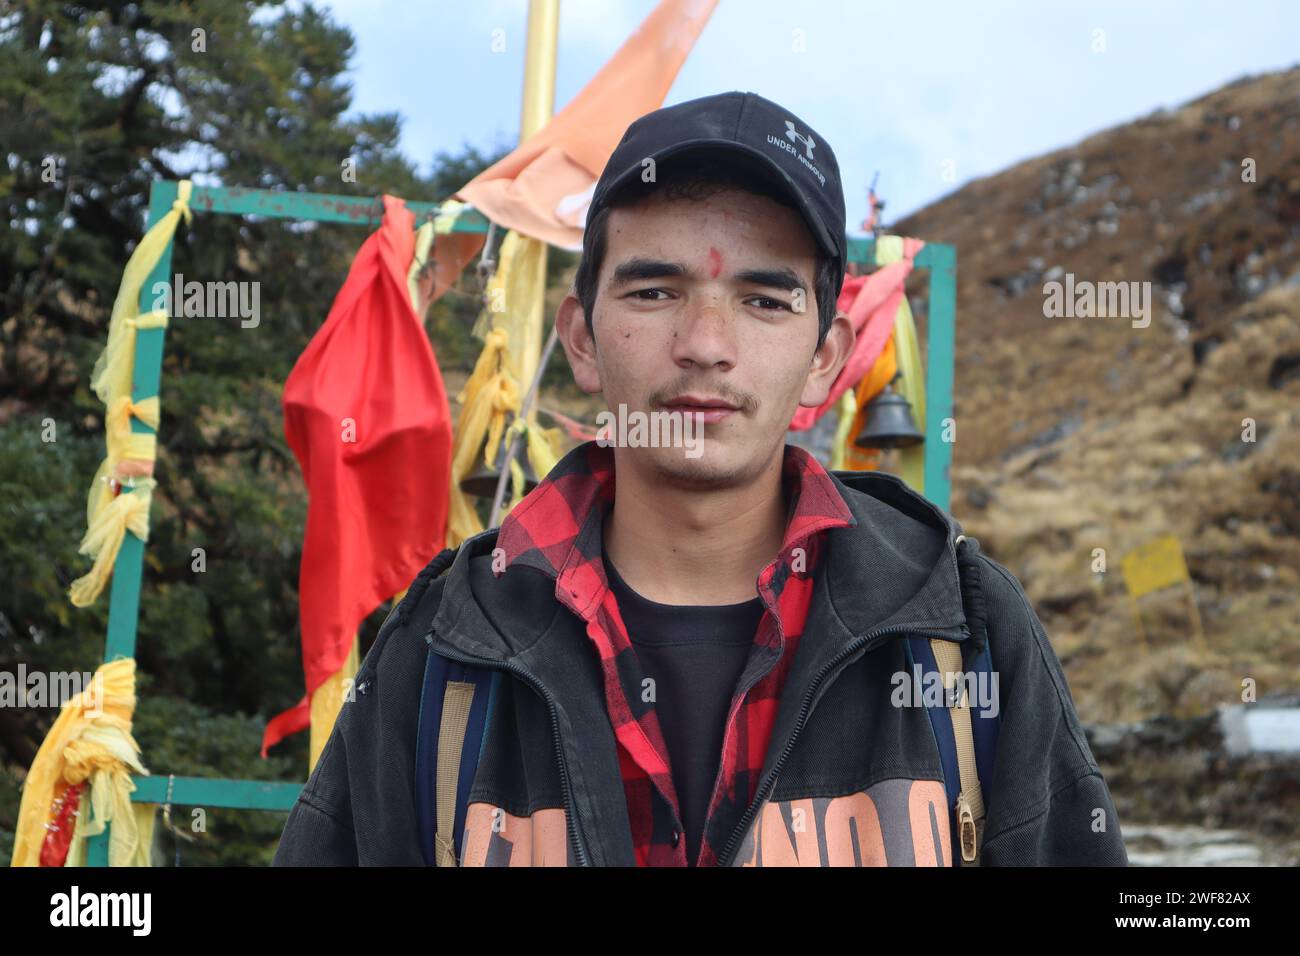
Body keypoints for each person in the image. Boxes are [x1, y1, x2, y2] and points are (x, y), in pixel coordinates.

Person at [273, 91, 1128, 867]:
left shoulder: (962, 631)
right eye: (653, 291)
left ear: (827, 358)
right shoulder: (445, 645)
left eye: (765, 300)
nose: (705, 343)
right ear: (581, 340)